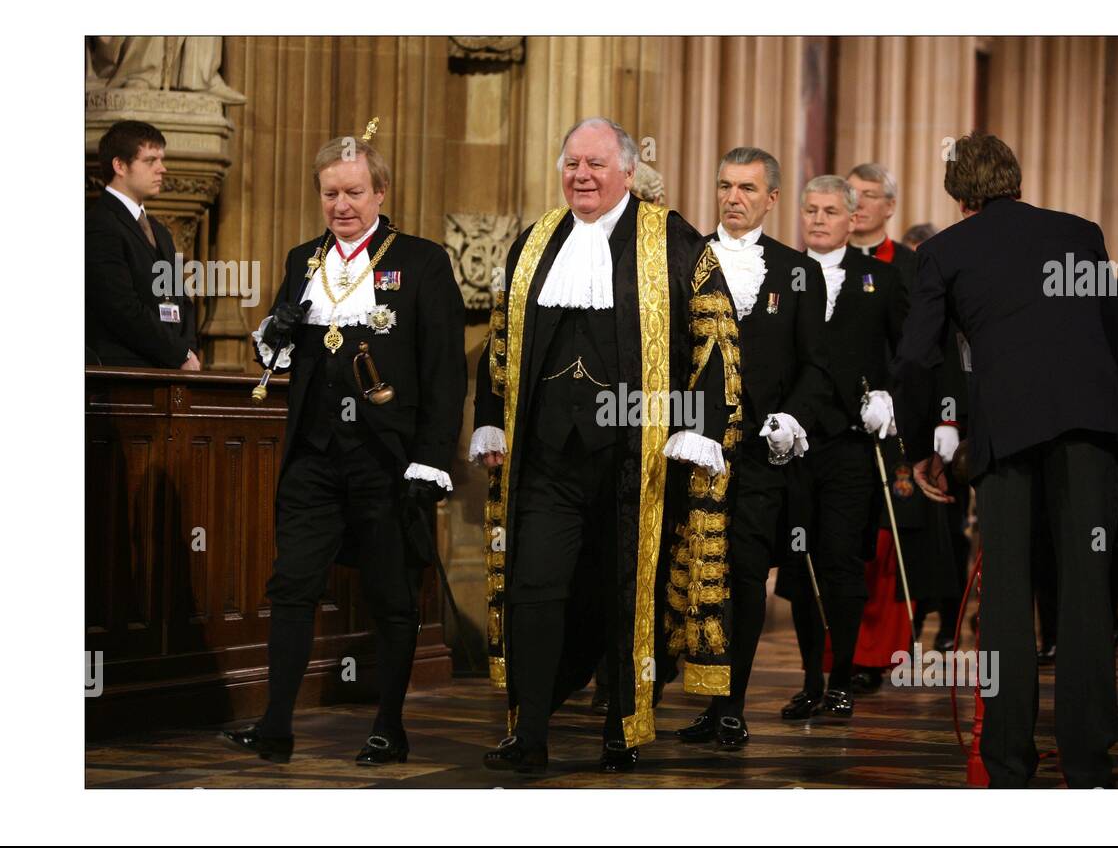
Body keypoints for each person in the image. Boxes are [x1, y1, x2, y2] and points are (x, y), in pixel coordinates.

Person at [470, 117, 740, 774]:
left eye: (594, 164)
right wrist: (488, 417)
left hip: (634, 459)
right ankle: (527, 731)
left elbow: (716, 337)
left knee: (625, 594)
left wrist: (699, 425)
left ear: (626, 170)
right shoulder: (536, 240)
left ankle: (623, 728)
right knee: (535, 588)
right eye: (571, 164)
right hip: (547, 457)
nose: (581, 176)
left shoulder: (672, 239)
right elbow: (499, 337)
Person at [894, 132, 1118, 788]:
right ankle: (1089, 761)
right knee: (1088, 593)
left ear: (957, 191)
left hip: (1008, 431)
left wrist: (921, 450)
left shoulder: (943, 252)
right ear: (1015, 176)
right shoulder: (1080, 231)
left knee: (1006, 594)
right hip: (1091, 430)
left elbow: (916, 359)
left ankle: (1008, 760)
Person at [222, 128, 467, 766]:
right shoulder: (303, 259)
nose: (342, 205)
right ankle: (276, 724)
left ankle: (389, 724)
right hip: (314, 453)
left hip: (387, 458)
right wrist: (272, 337)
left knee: (391, 591)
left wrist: (433, 458)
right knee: (292, 584)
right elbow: (281, 350)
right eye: (331, 193)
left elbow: (445, 372)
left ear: (380, 191)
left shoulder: (420, 260)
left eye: (354, 192)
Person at [675, 147, 832, 750]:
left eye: (746, 188)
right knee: (694, 573)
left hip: (762, 455)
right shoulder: (686, 260)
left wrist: (794, 416)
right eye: (724, 186)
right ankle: (702, 700)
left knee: (742, 574)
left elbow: (817, 366)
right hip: (693, 450)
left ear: (771, 199)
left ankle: (731, 704)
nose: (733, 198)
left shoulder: (799, 271)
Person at [773, 175, 906, 720]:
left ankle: (844, 677)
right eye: (811, 210)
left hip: (853, 444)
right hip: (796, 444)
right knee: (800, 563)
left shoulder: (882, 279)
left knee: (844, 562)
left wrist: (890, 400)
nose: (819, 219)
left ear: (853, 220)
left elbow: (908, 353)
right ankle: (809, 678)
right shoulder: (780, 274)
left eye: (831, 211)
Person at [86, 120, 200, 369]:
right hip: (122, 372)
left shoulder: (159, 230)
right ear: (120, 166)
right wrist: (179, 354)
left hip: (167, 369)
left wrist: (188, 350)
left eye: (161, 159)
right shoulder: (99, 224)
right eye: (150, 161)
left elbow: (182, 300)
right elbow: (120, 308)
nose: (163, 169)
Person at [847, 162, 919, 293]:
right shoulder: (828, 260)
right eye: (851, 195)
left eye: (869, 195)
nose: (858, 204)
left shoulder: (913, 265)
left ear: (890, 206)